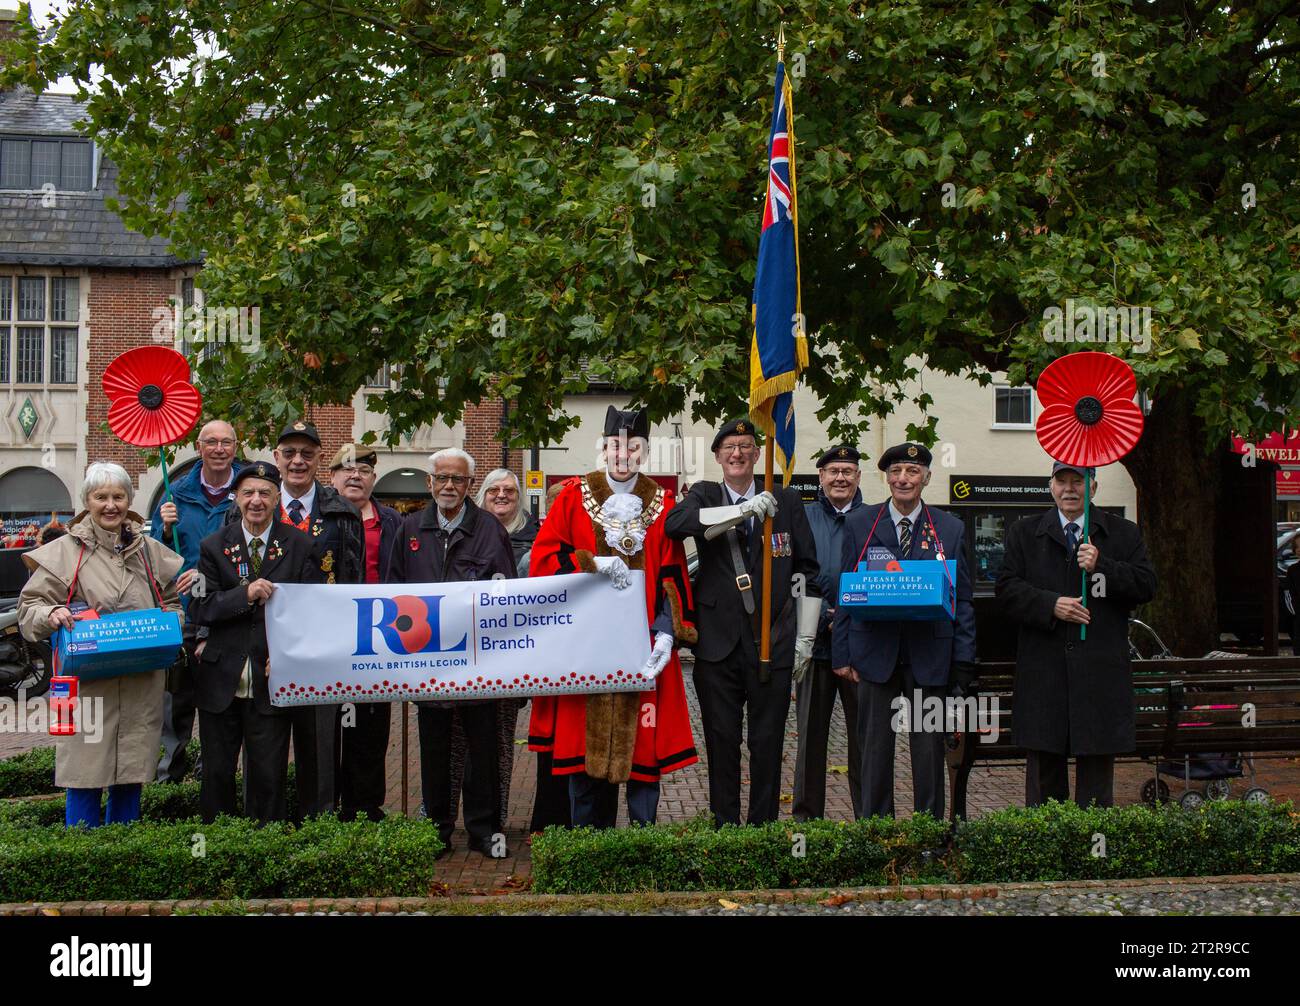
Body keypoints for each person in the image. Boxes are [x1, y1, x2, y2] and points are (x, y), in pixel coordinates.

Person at [528, 406, 698, 828]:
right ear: (604, 449)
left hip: (642, 647)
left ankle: (641, 846)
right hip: (585, 648)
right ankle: (585, 845)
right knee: (581, 759)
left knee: (645, 758)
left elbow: (674, 574)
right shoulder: (572, 496)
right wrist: (592, 563)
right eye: (615, 445)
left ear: (643, 453)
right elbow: (543, 562)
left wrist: (665, 633)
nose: (623, 454)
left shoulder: (664, 504)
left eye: (633, 446)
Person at [664, 418, 820, 826]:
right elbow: (675, 525)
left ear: (756, 454)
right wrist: (740, 511)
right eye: (729, 446)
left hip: (773, 642)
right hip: (718, 646)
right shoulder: (705, 493)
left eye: (746, 445)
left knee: (767, 745)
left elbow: (807, 571)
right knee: (722, 743)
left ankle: (763, 827)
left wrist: (805, 636)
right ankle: (725, 827)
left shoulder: (785, 501)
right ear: (718, 456)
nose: (737, 452)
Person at [18, 462, 184, 827]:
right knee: (84, 775)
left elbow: (172, 604)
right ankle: (82, 852)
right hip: (87, 686)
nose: (111, 505)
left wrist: (170, 628)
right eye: (101, 497)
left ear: (129, 500)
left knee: (131, 774)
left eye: (118, 496)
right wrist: (53, 614)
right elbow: (29, 610)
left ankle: (120, 851)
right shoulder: (63, 552)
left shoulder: (151, 552)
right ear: (86, 501)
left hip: (141, 683)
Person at [996, 460, 1157, 808]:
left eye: (1079, 481)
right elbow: (1007, 590)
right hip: (1044, 677)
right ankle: (1048, 852)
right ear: (1051, 487)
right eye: (1062, 481)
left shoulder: (1123, 533)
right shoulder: (1025, 533)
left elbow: (1146, 586)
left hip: (1099, 677)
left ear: (1093, 487)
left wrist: (1103, 566)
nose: (1070, 489)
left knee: (1097, 788)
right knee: (1044, 784)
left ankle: (1093, 854)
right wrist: (1050, 605)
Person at [832, 442, 977, 821]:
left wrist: (962, 659)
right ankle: (878, 833)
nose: (903, 479)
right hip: (874, 656)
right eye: (896, 471)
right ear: (886, 478)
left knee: (928, 752)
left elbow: (962, 600)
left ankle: (926, 833)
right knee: (874, 750)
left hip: (930, 656)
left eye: (912, 472)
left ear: (927, 478)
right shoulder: (860, 524)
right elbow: (845, 590)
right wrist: (841, 654)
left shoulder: (951, 528)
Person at [387, 448, 516, 855]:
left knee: (483, 749)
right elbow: (392, 592)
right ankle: (437, 829)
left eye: (457, 480)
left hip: (478, 662)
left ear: (469, 485)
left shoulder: (490, 530)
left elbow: (505, 592)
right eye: (441, 478)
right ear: (429, 483)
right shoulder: (409, 529)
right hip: (428, 661)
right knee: (435, 748)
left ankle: (483, 830)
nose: (448, 486)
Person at [237, 418, 363, 817]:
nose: (297, 461)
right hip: (261, 651)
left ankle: (319, 830)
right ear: (276, 457)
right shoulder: (250, 509)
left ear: (319, 459)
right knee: (263, 753)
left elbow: (351, 584)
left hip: (320, 653)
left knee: (321, 753)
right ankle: (264, 834)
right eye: (289, 453)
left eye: (307, 454)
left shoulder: (342, 513)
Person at [189, 462, 320, 822]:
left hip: (270, 676)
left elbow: (310, 611)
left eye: (265, 493)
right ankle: (217, 844)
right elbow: (201, 606)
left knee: (268, 774)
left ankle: (267, 846)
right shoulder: (214, 546)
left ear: (278, 498)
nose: (256, 501)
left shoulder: (301, 544)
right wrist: (243, 594)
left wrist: (287, 656)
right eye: (248, 493)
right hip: (221, 679)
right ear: (236, 497)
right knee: (216, 774)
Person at [149, 419, 244, 783]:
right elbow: (157, 558)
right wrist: (164, 528)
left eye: (226, 442)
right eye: (211, 442)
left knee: (221, 703)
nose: (219, 449)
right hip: (185, 613)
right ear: (199, 447)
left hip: (226, 614)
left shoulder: (248, 492)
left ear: (235, 447)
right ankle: (168, 779)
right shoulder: (175, 494)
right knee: (176, 701)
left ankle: (212, 777)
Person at [328, 443, 403, 822]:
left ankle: (366, 807)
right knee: (328, 728)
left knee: (371, 728)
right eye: (347, 469)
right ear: (333, 478)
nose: (354, 475)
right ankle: (327, 806)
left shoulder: (393, 523)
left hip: (378, 641)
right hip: (329, 638)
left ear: (373, 479)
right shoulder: (319, 518)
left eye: (363, 470)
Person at [794, 445, 864, 821]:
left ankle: (868, 818)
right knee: (809, 739)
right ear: (820, 477)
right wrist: (825, 618)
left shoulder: (873, 519)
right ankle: (806, 821)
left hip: (859, 650)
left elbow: (880, 576)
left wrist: (848, 619)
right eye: (833, 471)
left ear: (858, 477)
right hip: (815, 645)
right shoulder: (803, 518)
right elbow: (797, 577)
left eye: (848, 471)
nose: (840, 478)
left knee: (864, 740)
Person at [527, 478, 576, 834]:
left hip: (579, 657)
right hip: (550, 658)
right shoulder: (540, 549)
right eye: (557, 502)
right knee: (553, 746)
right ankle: (548, 819)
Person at [476, 468, 539, 577]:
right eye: (493, 490)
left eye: (509, 490)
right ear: (484, 496)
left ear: (518, 497)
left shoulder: (537, 538)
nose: (501, 495)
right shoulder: (465, 534)